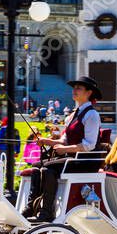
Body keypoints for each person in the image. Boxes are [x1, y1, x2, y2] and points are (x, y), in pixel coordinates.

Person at [30, 76, 103, 222]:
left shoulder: (92, 115)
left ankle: (47, 212)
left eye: (79, 88)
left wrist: (64, 150)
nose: (74, 90)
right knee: (36, 167)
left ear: (89, 93)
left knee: (48, 168)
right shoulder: (72, 116)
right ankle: (31, 207)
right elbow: (64, 140)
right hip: (72, 159)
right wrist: (47, 141)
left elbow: (89, 145)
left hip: (86, 161)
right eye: (74, 88)